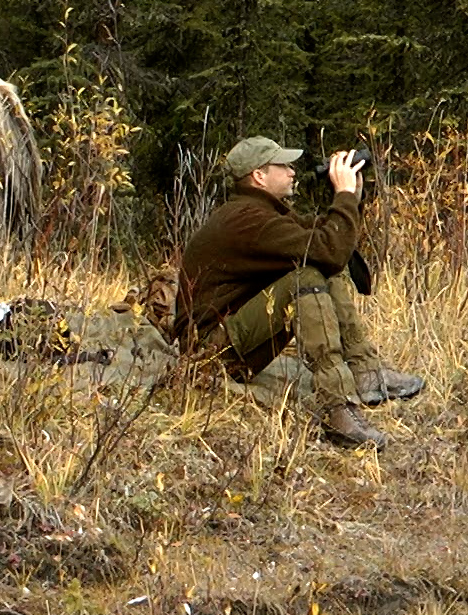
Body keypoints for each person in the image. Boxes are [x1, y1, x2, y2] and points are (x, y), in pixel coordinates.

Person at [177, 136, 424, 449]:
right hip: (206, 356)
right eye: (283, 165)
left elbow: (322, 238)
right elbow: (328, 249)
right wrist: (343, 194)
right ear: (259, 176)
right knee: (305, 276)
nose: (292, 172)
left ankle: (365, 373)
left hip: (227, 340)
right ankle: (336, 408)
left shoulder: (260, 212)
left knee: (317, 266)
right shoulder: (246, 221)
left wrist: (352, 197)